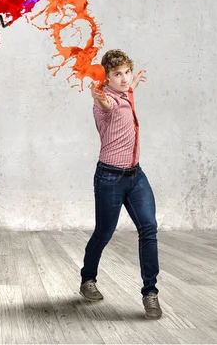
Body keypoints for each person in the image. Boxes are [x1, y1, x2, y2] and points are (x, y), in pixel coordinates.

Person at [79, 49, 162, 320]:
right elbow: (108, 105)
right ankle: (87, 279)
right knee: (104, 233)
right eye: (117, 74)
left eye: (127, 72)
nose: (124, 78)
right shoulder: (104, 102)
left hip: (135, 176)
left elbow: (127, 92)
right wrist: (99, 97)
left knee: (149, 228)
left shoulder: (126, 90)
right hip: (109, 178)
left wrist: (133, 82)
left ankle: (150, 293)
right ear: (107, 77)